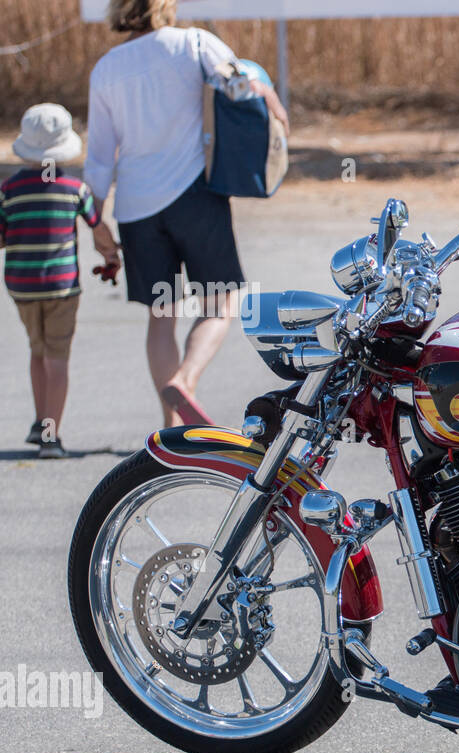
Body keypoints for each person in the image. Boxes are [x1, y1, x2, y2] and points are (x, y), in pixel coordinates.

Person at [84, 0, 288, 426]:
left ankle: (170, 424)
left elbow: (100, 157)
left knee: (161, 315)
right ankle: (187, 379)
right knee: (220, 303)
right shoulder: (195, 44)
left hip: (137, 207)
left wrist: (95, 219)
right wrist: (273, 104)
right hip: (196, 197)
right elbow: (246, 85)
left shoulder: (106, 69)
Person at [0, 104, 121, 459]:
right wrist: (111, 257)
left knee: (37, 351)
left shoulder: (9, 190)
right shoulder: (74, 188)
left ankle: (42, 420)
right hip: (61, 287)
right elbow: (98, 230)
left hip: (21, 287)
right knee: (58, 356)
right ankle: (51, 435)